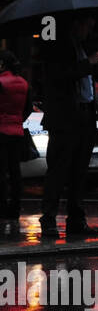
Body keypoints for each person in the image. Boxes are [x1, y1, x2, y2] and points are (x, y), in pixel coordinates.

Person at [39, 14, 98, 240]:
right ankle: (48, 220)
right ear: (77, 23)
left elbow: (83, 79)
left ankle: (76, 219)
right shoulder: (57, 47)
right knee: (58, 170)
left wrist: (97, 65)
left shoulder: (81, 47)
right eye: (88, 24)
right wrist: (88, 63)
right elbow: (60, 76)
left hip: (84, 115)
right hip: (65, 119)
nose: (90, 30)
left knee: (79, 171)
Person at [0, 50, 31, 238]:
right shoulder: (24, 83)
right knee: (15, 171)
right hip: (17, 131)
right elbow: (27, 109)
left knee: (1, 171)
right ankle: (15, 207)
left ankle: (2, 207)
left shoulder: (1, 83)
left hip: (1, 131)